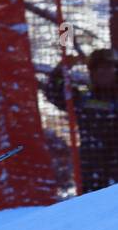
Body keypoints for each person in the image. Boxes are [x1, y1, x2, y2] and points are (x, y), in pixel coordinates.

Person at [46, 47, 118, 193]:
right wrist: (60, 70)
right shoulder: (83, 100)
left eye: (108, 67)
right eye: (97, 69)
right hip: (93, 169)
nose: (103, 72)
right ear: (91, 73)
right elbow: (54, 92)